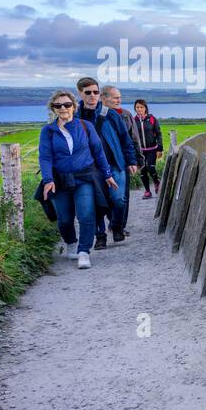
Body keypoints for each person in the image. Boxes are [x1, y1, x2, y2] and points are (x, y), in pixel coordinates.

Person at [38, 90, 117, 269]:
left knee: (86, 214)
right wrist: (48, 180)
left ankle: (84, 252)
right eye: (58, 105)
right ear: (53, 109)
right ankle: (71, 242)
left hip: (84, 178)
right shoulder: (48, 131)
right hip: (60, 180)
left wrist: (107, 174)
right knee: (64, 219)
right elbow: (45, 157)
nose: (63, 108)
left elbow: (98, 151)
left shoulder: (85, 126)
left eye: (67, 104)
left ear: (74, 106)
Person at [76, 77, 137, 248]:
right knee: (94, 202)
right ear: (80, 94)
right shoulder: (75, 117)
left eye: (95, 92)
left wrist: (131, 160)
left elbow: (125, 139)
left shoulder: (110, 114)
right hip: (90, 168)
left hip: (115, 164)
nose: (92, 96)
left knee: (119, 200)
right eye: (88, 93)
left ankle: (116, 226)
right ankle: (100, 236)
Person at [102, 86, 140, 233]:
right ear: (103, 98)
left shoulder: (125, 114)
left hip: (121, 161)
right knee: (105, 196)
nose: (119, 100)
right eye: (115, 97)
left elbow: (132, 138)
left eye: (119, 97)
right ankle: (109, 224)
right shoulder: (95, 116)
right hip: (101, 162)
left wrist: (135, 160)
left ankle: (119, 227)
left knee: (122, 196)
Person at [130, 98, 163, 199]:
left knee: (150, 167)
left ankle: (157, 182)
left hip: (152, 149)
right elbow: (131, 136)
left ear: (145, 108)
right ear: (135, 109)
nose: (139, 109)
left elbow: (158, 134)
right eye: (137, 107)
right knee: (143, 171)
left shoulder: (152, 119)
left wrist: (160, 149)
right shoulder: (133, 121)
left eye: (141, 107)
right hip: (140, 151)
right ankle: (147, 192)